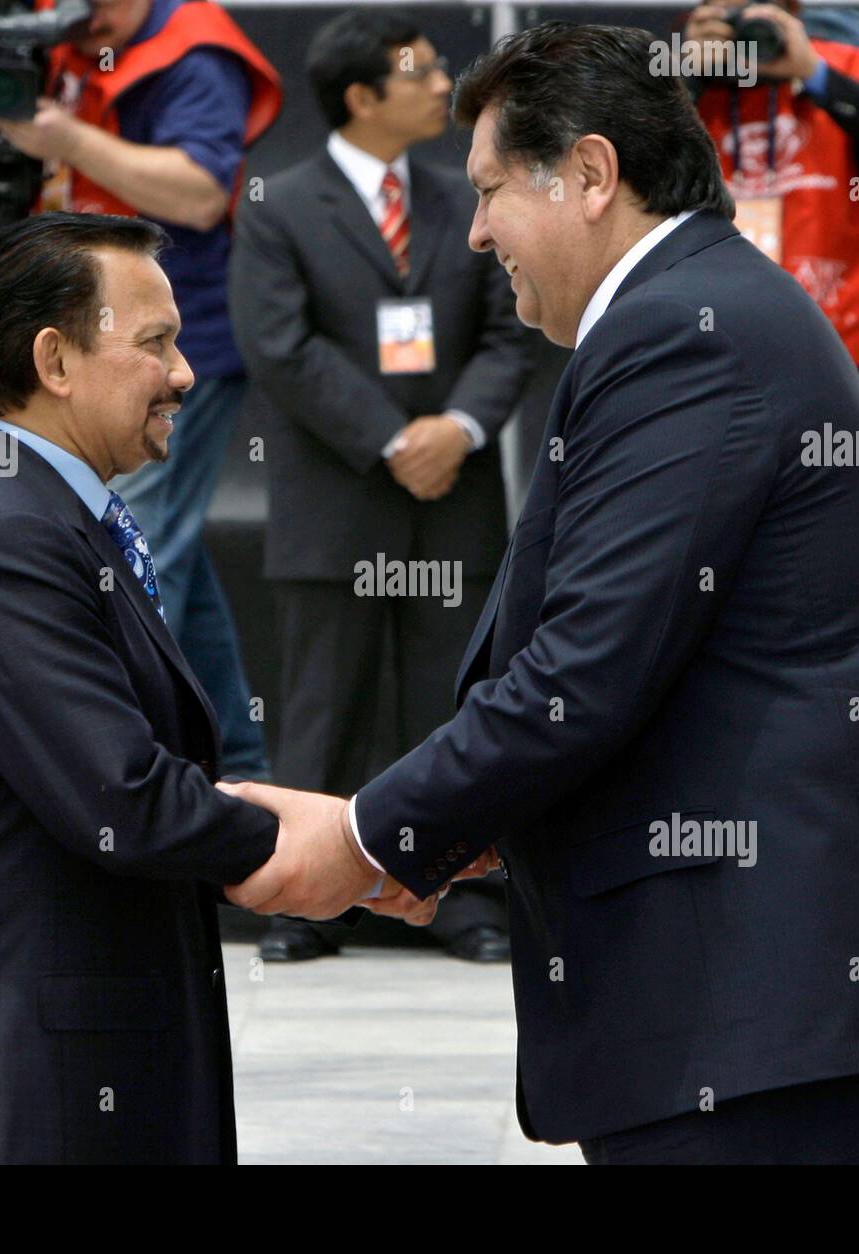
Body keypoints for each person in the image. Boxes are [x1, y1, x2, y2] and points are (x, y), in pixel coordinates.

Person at [218, 22, 859, 1165]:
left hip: (754, 1007)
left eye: (489, 191)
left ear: (589, 175)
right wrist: (475, 825)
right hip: (744, 1005)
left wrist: (369, 836)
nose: (475, 230)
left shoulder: (685, 335)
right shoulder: (692, 311)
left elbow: (587, 667)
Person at [0, 213, 438, 1165]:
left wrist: (333, 831)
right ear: (54, 360)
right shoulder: (6, 538)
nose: (184, 373)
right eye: (155, 344)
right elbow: (126, 798)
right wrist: (350, 851)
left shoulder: (55, 511)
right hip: (28, 1090)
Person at [0, 0, 281, 777]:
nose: (79, 19)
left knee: (140, 554)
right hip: (73, 339)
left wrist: (64, 139)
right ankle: (236, 767)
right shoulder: (49, 17)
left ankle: (138, 776)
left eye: (98, 6)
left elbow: (201, 191)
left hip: (166, 351)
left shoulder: (195, 48)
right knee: (163, 555)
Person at [229, 9, 533, 964]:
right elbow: (279, 345)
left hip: (458, 491)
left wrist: (459, 427)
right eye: (421, 72)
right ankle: (302, 901)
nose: (444, 84)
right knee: (325, 699)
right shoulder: (279, 199)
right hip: (339, 492)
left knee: (457, 703)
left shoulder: (464, 194)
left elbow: (511, 327)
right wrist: (393, 438)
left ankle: (464, 898)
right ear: (363, 97)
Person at [682, 1, 859, 418]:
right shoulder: (688, 87)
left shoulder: (846, 66)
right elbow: (626, 163)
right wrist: (687, 74)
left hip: (838, 334)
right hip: (715, 343)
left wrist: (814, 71)